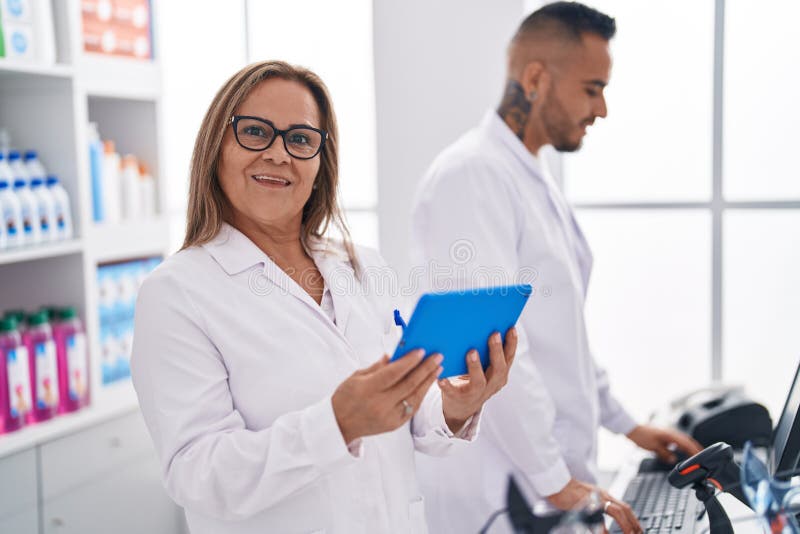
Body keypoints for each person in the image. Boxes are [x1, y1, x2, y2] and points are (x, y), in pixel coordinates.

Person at [131, 60, 519, 534]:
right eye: (255, 131)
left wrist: (456, 407)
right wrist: (336, 424)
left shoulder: (363, 265)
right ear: (217, 146)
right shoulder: (175, 294)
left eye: (299, 138)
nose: (278, 154)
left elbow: (407, 420)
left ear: (320, 160)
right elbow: (199, 473)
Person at [411, 3, 703, 533]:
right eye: (593, 88)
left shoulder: (528, 175)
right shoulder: (472, 175)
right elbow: (490, 345)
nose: (603, 109)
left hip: (546, 490)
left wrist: (628, 425)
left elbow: (562, 336)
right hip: (506, 498)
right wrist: (553, 479)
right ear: (536, 77)